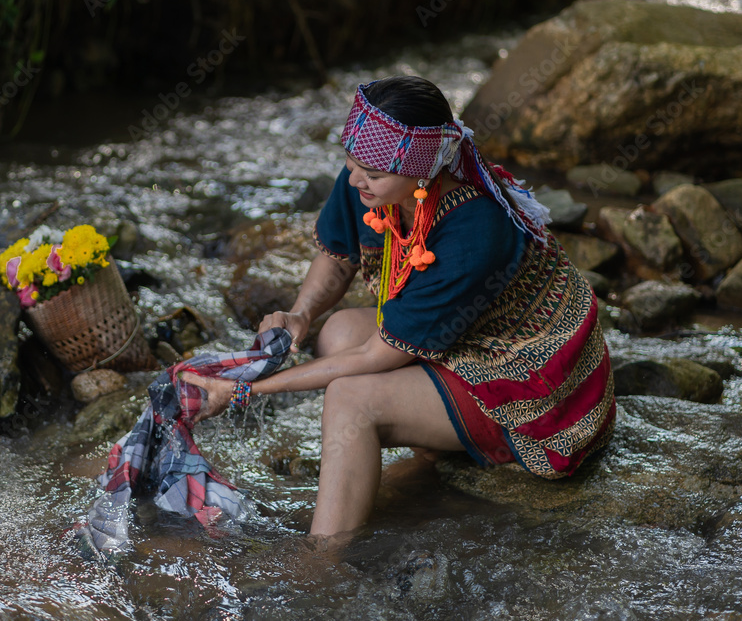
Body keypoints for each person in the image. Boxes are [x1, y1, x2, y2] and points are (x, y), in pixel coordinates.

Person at [183, 76, 615, 538]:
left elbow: (377, 358)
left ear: (424, 170)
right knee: (338, 332)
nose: (354, 179)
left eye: (372, 172)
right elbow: (336, 254)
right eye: (350, 162)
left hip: (528, 384)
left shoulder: (475, 228)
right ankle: (431, 453)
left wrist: (246, 390)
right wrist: (301, 313)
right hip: (463, 344)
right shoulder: (372, 176)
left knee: (350, 400)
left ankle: (322, 560)